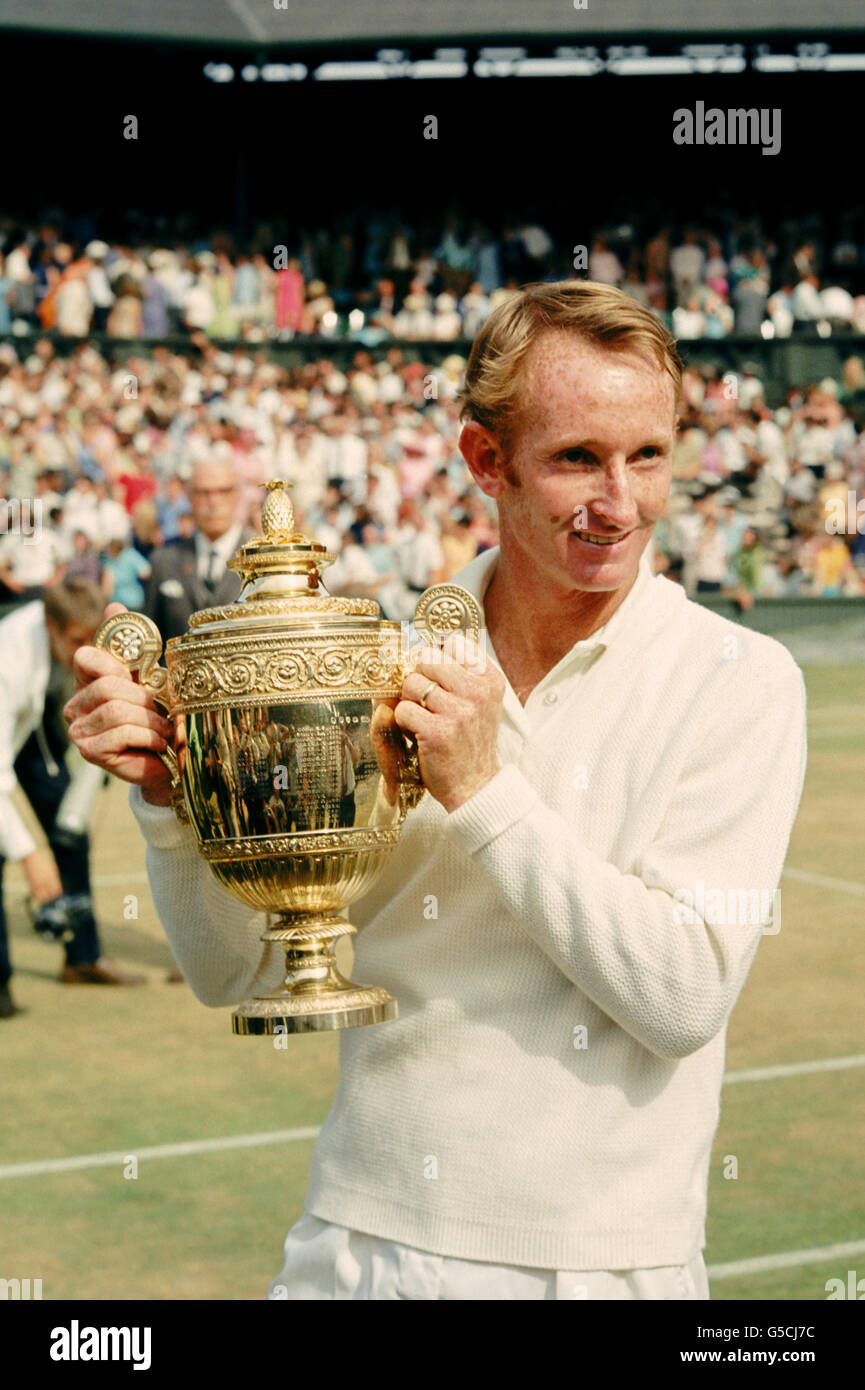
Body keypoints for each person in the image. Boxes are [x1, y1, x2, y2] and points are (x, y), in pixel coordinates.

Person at [66, 282, 807, 1301]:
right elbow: (236, 976)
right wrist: (171, 805)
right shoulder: (379, 662)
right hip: (355, 1247)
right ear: (482, 460)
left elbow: (682, 996)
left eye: (649, 455)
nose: (621, 502)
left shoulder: (741, 677)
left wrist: (484, 792)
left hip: (602, 1267)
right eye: (577, 458)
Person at [0, 579, 147, 1017]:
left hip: (30, 729)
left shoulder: (78, 639)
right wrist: (29, 854)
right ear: (50, 626)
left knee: (70, 835)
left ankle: (83, 958)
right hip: (7, 726)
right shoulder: (9, 658)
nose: (86, 650)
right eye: (76, 641)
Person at [143, 459, 247, 643]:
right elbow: (152, 642)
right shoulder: (164, 560)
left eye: (223, 491)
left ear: (237, 495)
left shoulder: (262, 559)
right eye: (203, 492)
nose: (213, 501)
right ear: (189, 497)